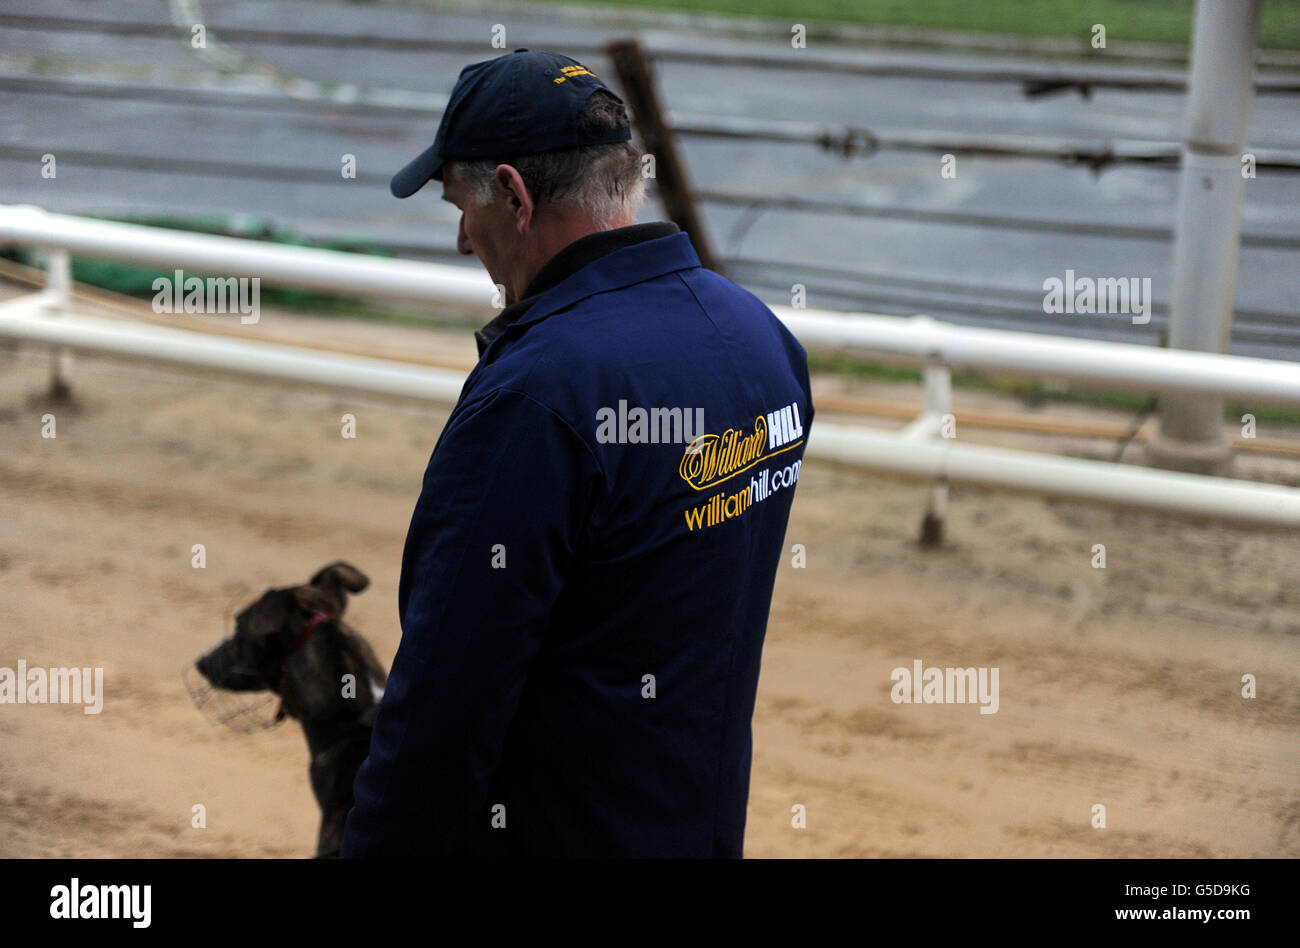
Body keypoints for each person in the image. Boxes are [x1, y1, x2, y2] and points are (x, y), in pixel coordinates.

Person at [340, 48, 813, 858]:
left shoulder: (534, 402)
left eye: (461, 204)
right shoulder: (763, 342)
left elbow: (440, 717)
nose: (462, 238)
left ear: (515, 197)